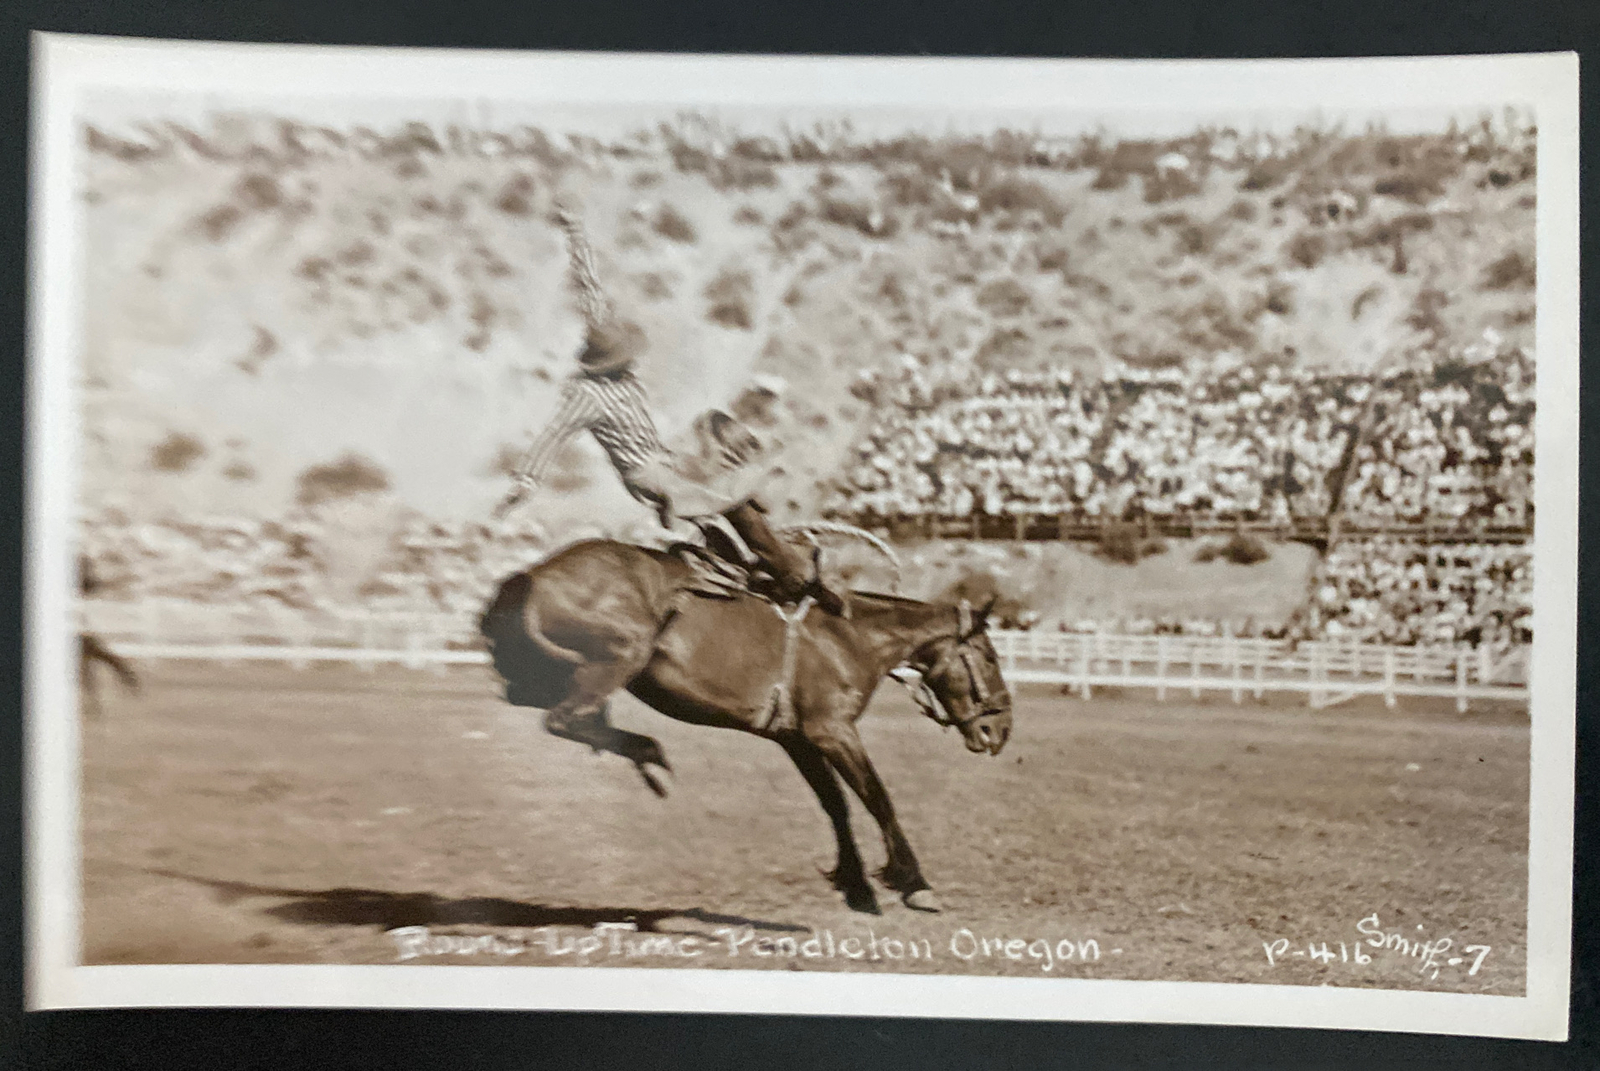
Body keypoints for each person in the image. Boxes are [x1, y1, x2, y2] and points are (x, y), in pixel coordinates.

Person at [495, 205, 844, 615]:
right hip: (647, 472)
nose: (631, 362)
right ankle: (793, 574)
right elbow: (551, 436)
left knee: (731, 484)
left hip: (664, 458)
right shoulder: (586, 397)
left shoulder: (611, 362)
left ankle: (752, 562)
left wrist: (575, 234)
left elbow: (591, 292)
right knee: (729, 501)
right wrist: (523, 484)